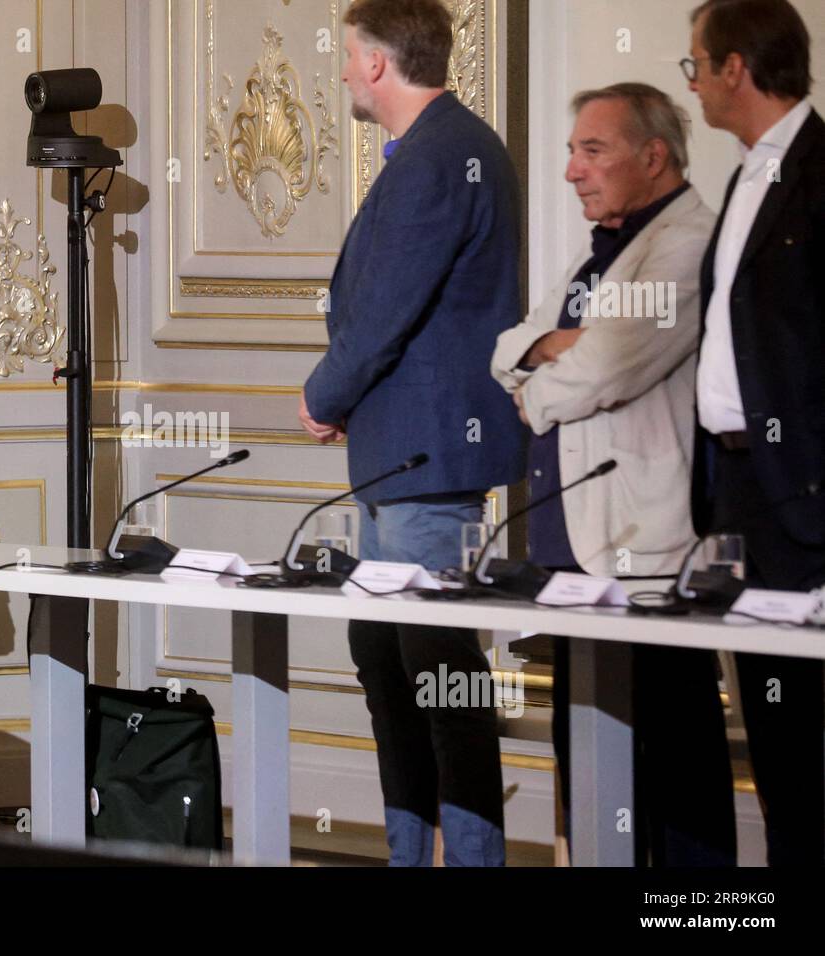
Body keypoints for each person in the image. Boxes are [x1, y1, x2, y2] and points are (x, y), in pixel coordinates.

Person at [301, 0, 525, 866]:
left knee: (439, 669)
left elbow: (386, 309)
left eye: (350, 57)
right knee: (388, 655)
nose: (345, 72)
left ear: (381, 66)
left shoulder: (444, 157)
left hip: (430, 458)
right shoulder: (436, 152)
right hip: (402, 456)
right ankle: (412, 854)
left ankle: (467, 860)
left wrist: (324, 395)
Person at [492, 83, 736, 865]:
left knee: (673, 759)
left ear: (653, 156)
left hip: (647, 544)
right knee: (587, 747)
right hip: (571, 544)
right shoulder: (601, 246)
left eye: (592, 150)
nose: (572, 171)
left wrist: (558, 354)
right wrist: (553, 345)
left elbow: (602, 369)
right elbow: (509, 344)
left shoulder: (687, 241)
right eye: (572, 150)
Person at [684, 0, 825, 866]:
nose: (692, 81)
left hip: (806, 493)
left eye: (694, 63)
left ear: (736, 67)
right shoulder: (744, 173)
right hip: (739, 491)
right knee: (773, 728)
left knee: (807, 730)